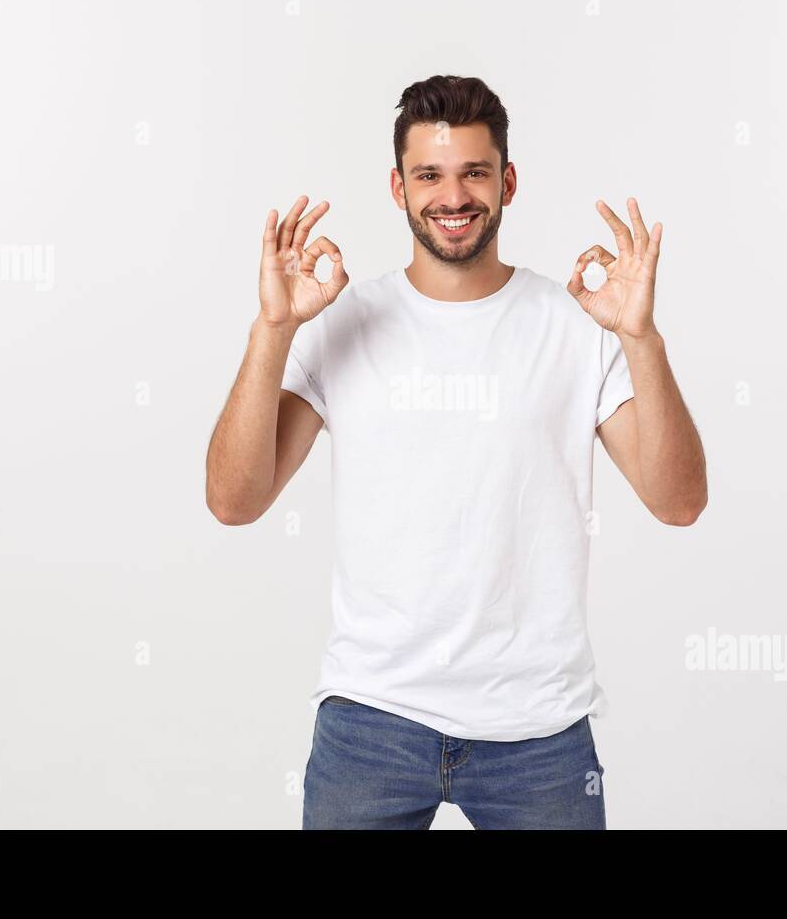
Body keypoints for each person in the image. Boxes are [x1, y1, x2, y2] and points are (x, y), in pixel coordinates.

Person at [205, 75, 707, 829]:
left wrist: (641, 339)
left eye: (474, 171)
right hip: (372, 721)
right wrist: (273, 330)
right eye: (429, 174)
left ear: (507, 181)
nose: (453, 196)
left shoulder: (572, 327)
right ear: (398, 187)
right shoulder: (348, 321)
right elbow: (233, 501)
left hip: (538, 732)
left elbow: (680, 502)